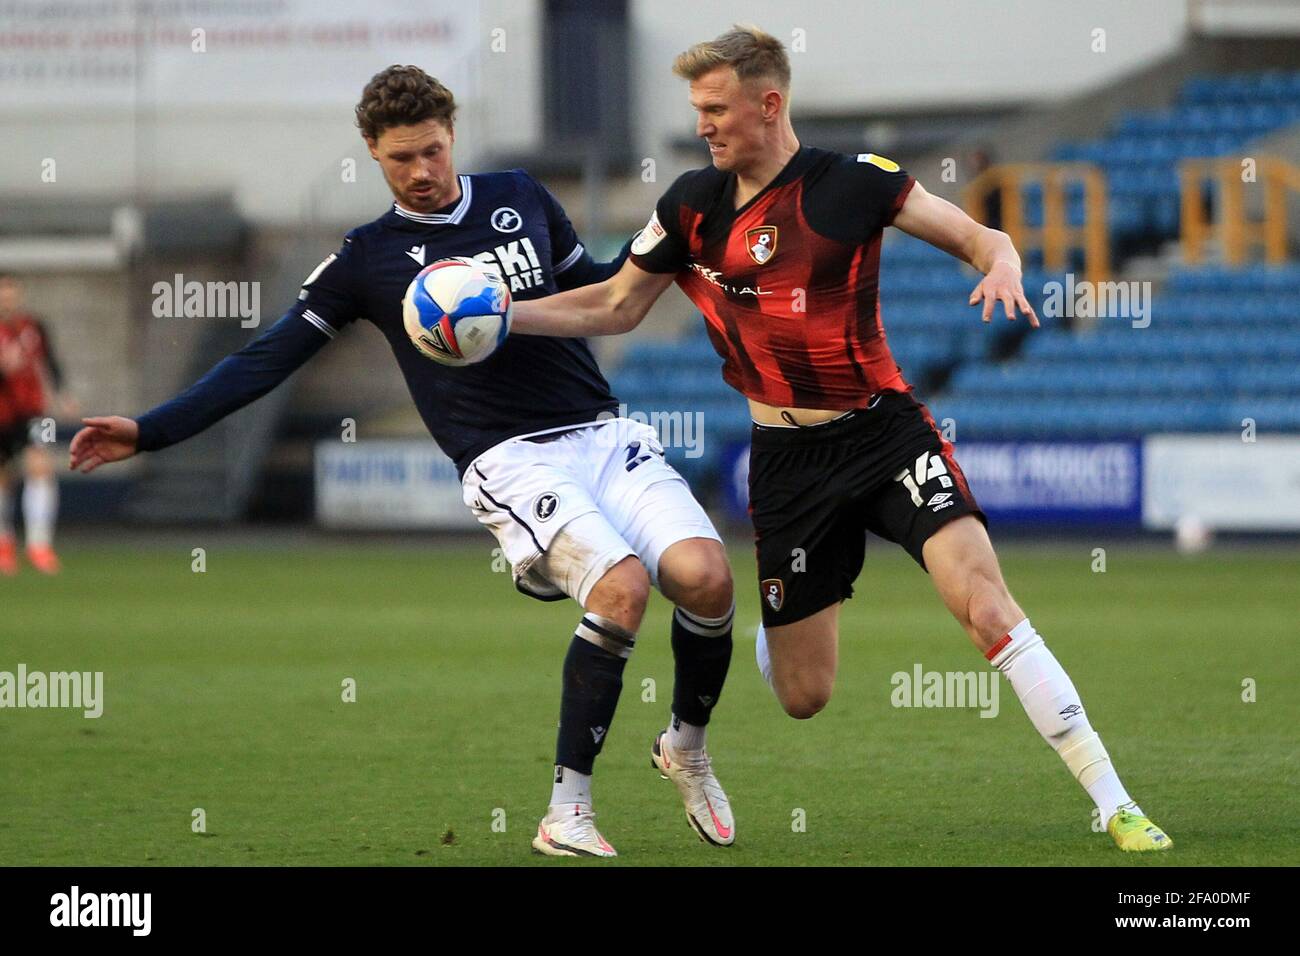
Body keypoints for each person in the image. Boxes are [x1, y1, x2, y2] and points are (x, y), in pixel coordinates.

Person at [507, 27, 1171, 852]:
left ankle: (1115, 804)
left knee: (987, 606)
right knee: (803, 695)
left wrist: (1000, 264)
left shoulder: (856, 184)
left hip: (884, 432)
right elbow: (613, 305)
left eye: (715, 109)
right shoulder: (689, 204)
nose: (703, 125)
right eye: (697, 111)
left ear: (769, 103)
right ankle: (769, 640)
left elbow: (981, 238)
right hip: (785, 464)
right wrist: (502, 318)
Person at [68, 65, 737, 858]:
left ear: (451, 134)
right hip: (508, 458)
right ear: (372, 156)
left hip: (601, 432)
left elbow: (598, 292)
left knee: (707, 578)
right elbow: (266, 358)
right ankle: (567, 811)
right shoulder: (368, 260)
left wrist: (679, 261)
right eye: (399, 160)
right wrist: (149, 430)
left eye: (430, 152)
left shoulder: (520, 195)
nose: (420, 173)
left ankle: (686, 749)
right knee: (623, 588)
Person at [0, 274, 75, 575]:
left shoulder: (34, 327)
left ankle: (39, 545)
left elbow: (50, 360)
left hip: (33, 412)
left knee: (41, 467)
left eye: (11, 292)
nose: (7, 298)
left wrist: (62, 392)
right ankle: (5, 544)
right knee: (4, 477)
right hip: (1, 414)